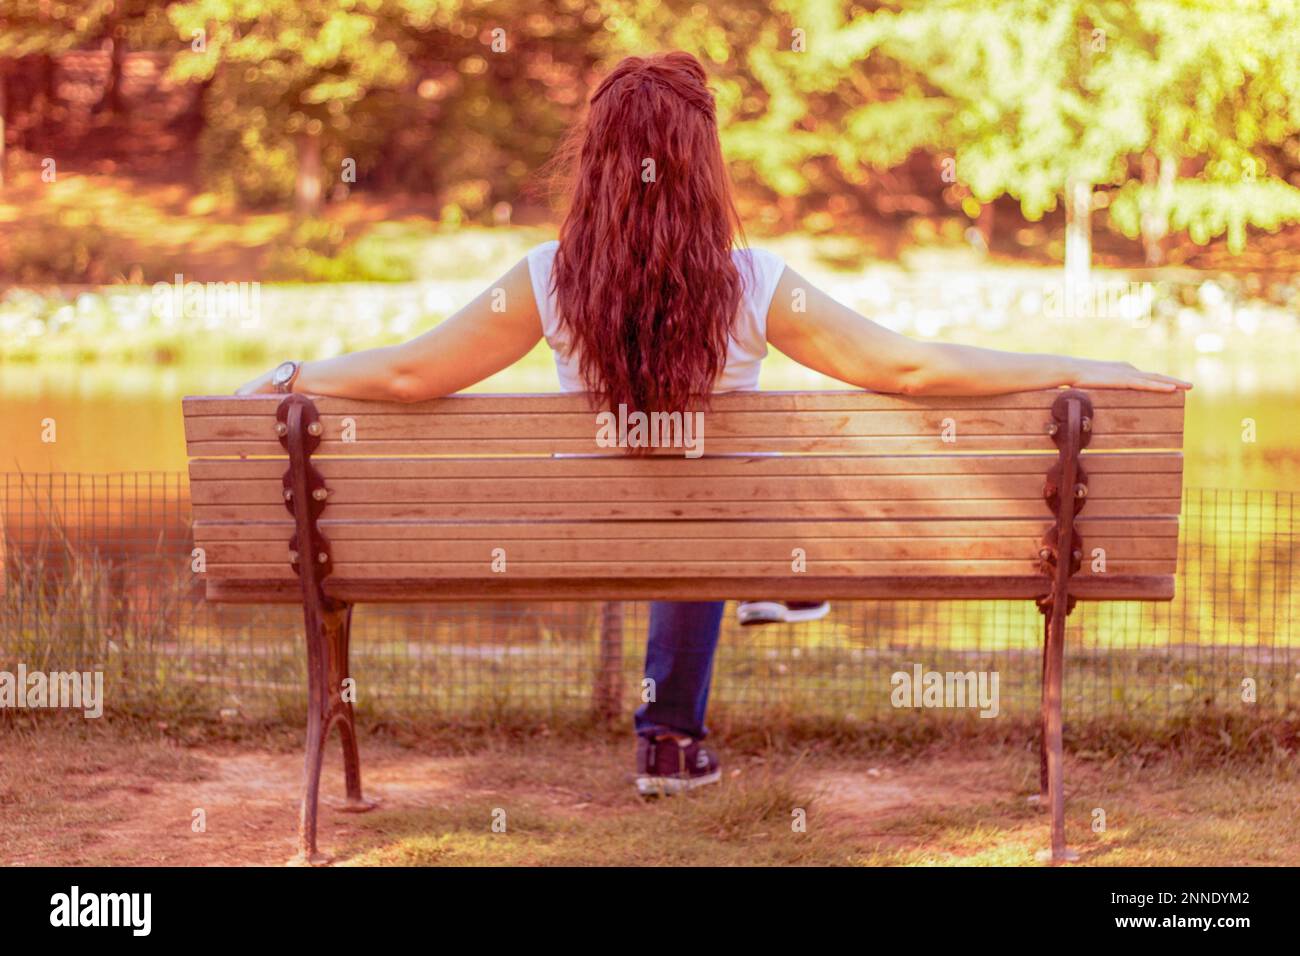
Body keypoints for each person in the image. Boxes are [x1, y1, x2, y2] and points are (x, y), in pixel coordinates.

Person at [237, 51, 1191, 798]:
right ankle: (757, 613)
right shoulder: (756, 284)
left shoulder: (541, 281)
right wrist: (1076, 366)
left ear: (600, 163)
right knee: (711, 490)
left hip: (582, 540)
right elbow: (908, 368)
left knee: (672, 491)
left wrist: (291, 375)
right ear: (703, 165)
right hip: (733, 531)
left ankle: (686, 708)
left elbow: (406, 375)